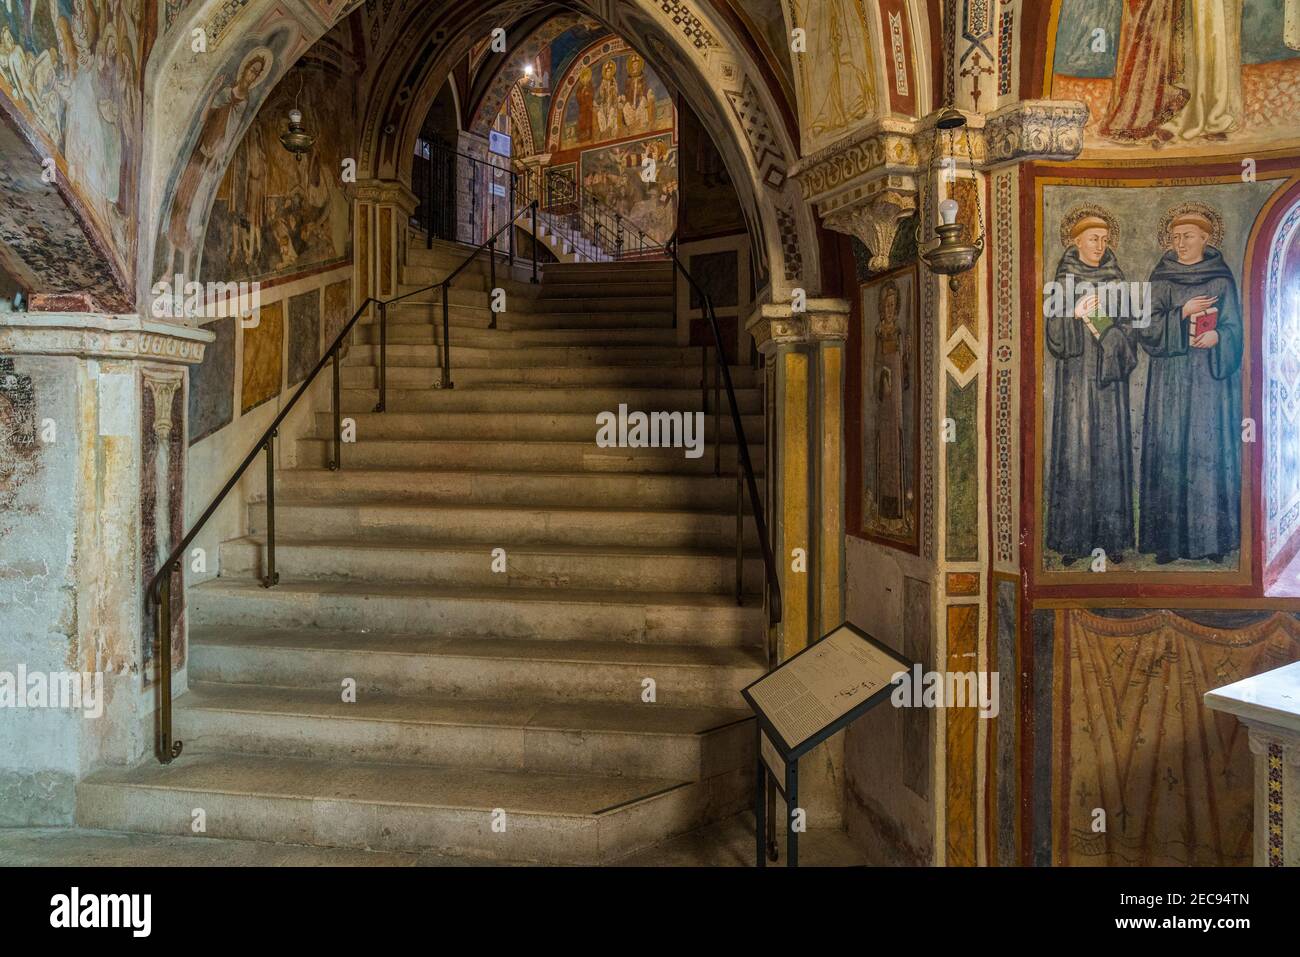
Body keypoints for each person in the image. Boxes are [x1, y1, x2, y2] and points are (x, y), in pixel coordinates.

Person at [1135, 203, 1242, 563]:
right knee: (1168, 453)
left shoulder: (1221, 278)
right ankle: (1167, 543)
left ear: (1205, 239)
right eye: (1176, 237)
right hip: (1170, 380)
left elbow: (1235, 331)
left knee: (1206, 454)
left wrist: (1219, 339)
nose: (1180, 243)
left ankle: (1210, 542)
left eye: (1188, 237)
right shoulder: (1161, 277)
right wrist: (1182, 312)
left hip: (1209, 385)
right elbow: (1146, 328)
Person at [1044, 206, 1137, 566]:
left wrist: (1107, 329)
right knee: (1075, 453)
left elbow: (1131, 331)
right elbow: (1054, 336)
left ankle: (1111, 539)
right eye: (1092, 239)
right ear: (1077, 241)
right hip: (1076, 385)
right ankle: (1073, 539)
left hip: (1109, 384)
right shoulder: (1063, 280)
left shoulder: (1118, 280)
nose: (1099, 245)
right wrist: (1074, 314)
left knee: (1110, 453)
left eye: (1103, 239)